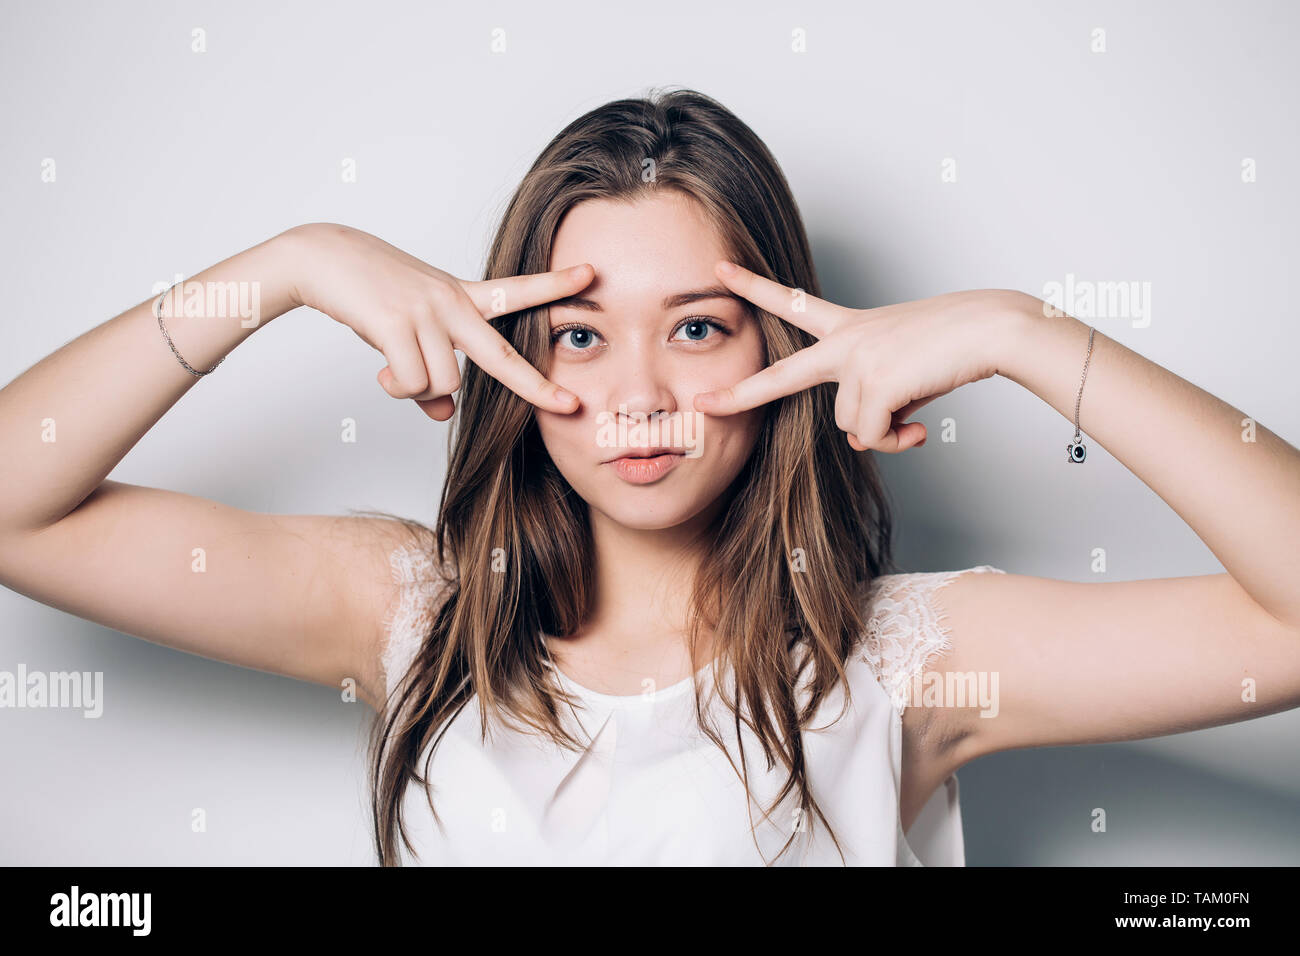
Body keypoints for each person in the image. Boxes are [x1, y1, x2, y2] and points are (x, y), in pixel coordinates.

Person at [1, 89, 1296, 866]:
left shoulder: (898, 661)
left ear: (776, 346)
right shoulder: (413, 613)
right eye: (580, 331)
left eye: (695, 326)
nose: (637, 397)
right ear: (518, 354)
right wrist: (282, 268)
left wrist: (1025, 335)